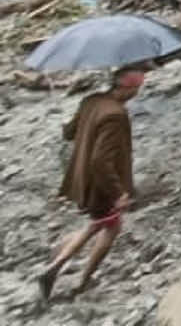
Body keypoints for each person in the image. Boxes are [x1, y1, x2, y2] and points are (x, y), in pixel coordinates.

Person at [38, 68, 144, 301]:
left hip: (84, 179)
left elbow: (69, 133)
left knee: (99, 224)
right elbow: (100, 160)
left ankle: (58, 267)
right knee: (111, 227)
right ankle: (78, 278)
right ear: (127, 88)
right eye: (137, 87)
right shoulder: (115, 115)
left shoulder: (91, 100)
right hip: (101, 184)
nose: (138, 92)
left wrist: (74, 124)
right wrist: (119, 193)